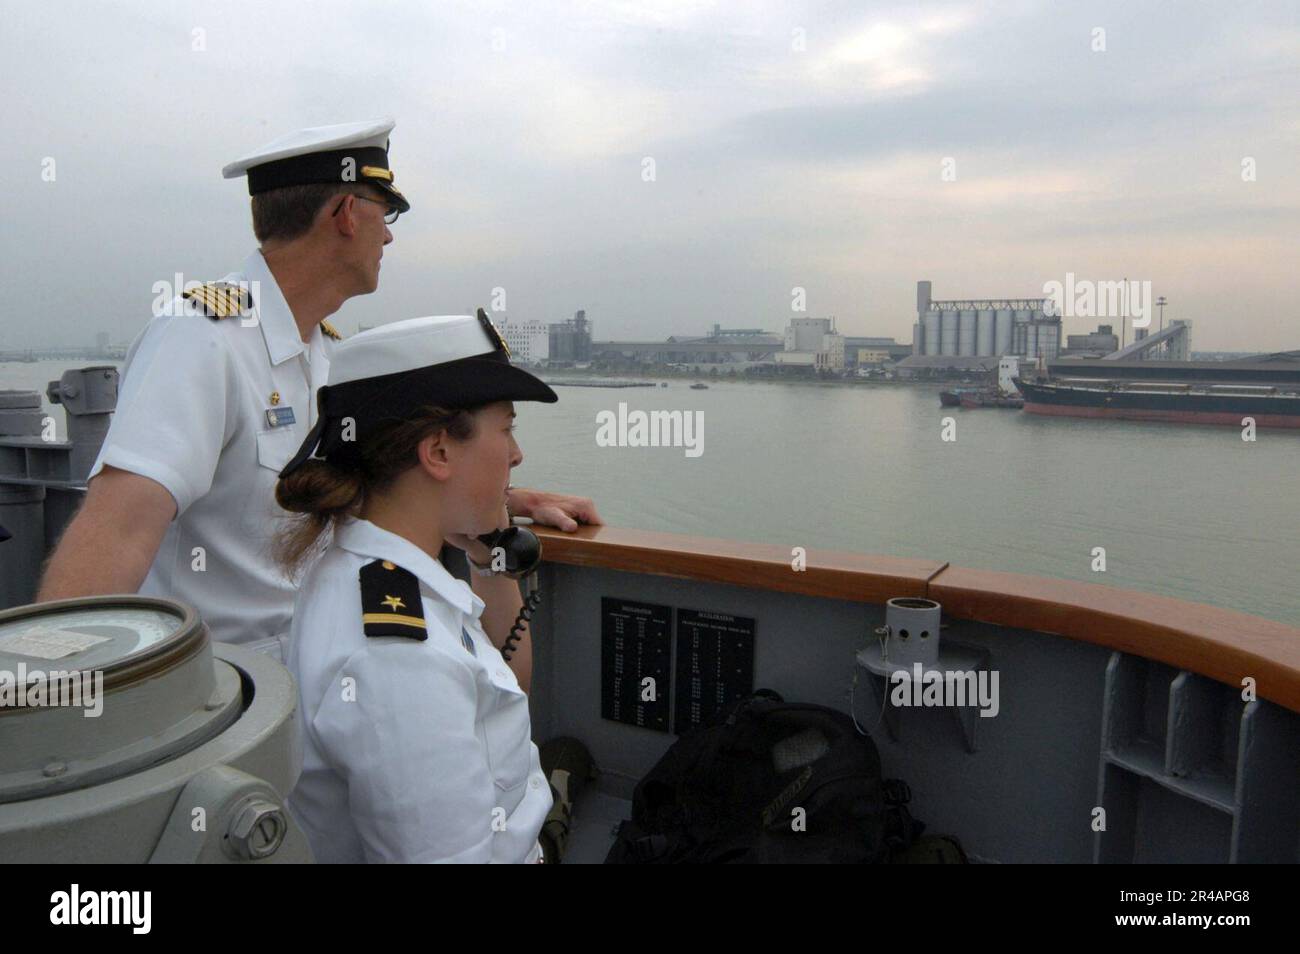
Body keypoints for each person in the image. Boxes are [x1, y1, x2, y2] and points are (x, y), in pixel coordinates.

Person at [36, 119, 600, 657]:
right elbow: (118, 529)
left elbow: (373, 483)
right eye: (389, 213)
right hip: (232, 697)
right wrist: (63, 705)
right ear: (348, 212)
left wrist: (503, 496)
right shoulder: (202, 340)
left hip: (326, 676)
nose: (390, 237)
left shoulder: (329, 355)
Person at [275, 312, 556, 863]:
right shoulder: (401, 655)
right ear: (439, 453)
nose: (517, 455)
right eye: (507, 429)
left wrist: (488, 546)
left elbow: (504, 683)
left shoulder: (376, 573)